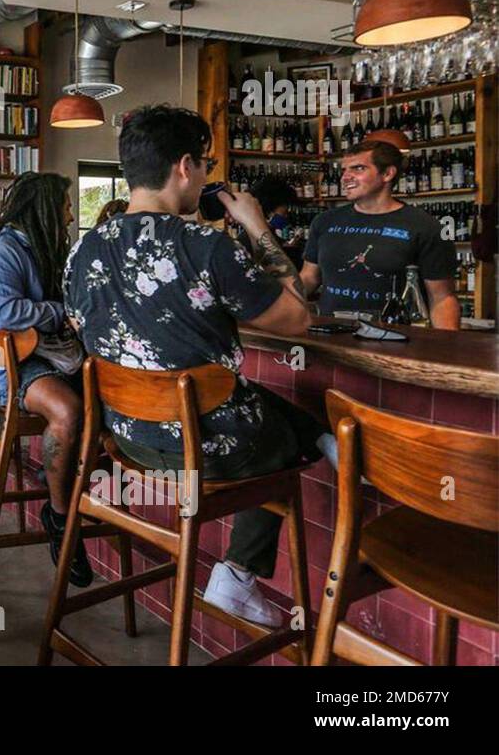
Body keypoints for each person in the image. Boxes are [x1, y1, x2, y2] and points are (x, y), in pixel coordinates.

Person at [63, 105, 323, 626]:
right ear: (185, 166)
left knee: (285, 418)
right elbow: (297, 317)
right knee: (295, 435)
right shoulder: (207, 245)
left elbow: (81, 331)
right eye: (204, 163)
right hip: (207, 447)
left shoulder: (81, 251)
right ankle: (237, 574)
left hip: (129, 436)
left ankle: (321, 446)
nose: (204, 174)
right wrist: (256, 226)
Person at [0, 172, 92, 585]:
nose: (72, 214)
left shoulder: (49, 249)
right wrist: (61, 312)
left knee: (110, 406)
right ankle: (60, 516)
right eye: (65, 207)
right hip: (14, 365)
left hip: (54, 354)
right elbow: (5, 314)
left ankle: (72, 483)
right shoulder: (2, 252)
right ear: (44, 211)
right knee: (68, 411)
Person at [300, 140, 459, 328]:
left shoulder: (425, 226)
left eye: (358, 168)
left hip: (394, 340)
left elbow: (442, 298)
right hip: (330, 336)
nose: (345, 177)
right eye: (344, 170)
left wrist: (444, 349)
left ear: (387, 173)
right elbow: (309, 278)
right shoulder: (325, 221)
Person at [244, 176, 303, 267]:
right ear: (269, 211)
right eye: (284, 213)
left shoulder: (266, 233)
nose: (287, 216)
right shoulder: (252, 238)